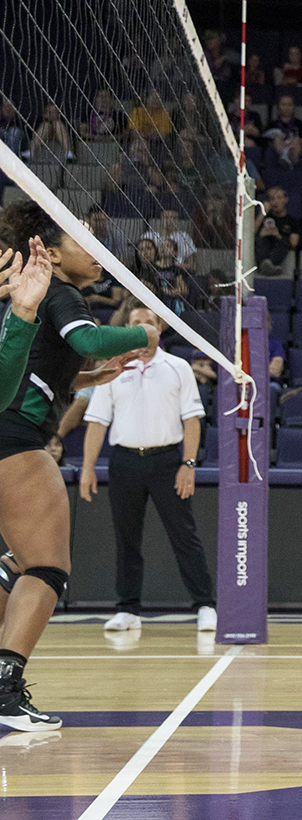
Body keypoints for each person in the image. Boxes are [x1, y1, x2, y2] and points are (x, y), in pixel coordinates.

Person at [0, 207, 158, 730]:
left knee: (18, 565)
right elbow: (89, 341)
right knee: (47, 568)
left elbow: (42, 374)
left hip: (13, 430)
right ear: (50, 249)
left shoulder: (41, 296)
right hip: (15, 439)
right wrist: (144, 333)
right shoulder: (58, 292)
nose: (98, 250)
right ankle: (5, 690)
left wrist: (91, 379)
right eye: (84, 239)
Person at [73, 305, 213, 635]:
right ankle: (128, 609)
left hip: (166, 461)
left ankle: (205, 605)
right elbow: (96, 422)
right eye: (135, 322)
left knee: (184, 536)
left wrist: (188, 465)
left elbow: (191, 420)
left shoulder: (178, 367)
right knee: (127, 538)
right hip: (124, 462)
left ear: (159, 327)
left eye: (147, 321)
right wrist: (88, 468)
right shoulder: (113, 369)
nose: (141, 327)